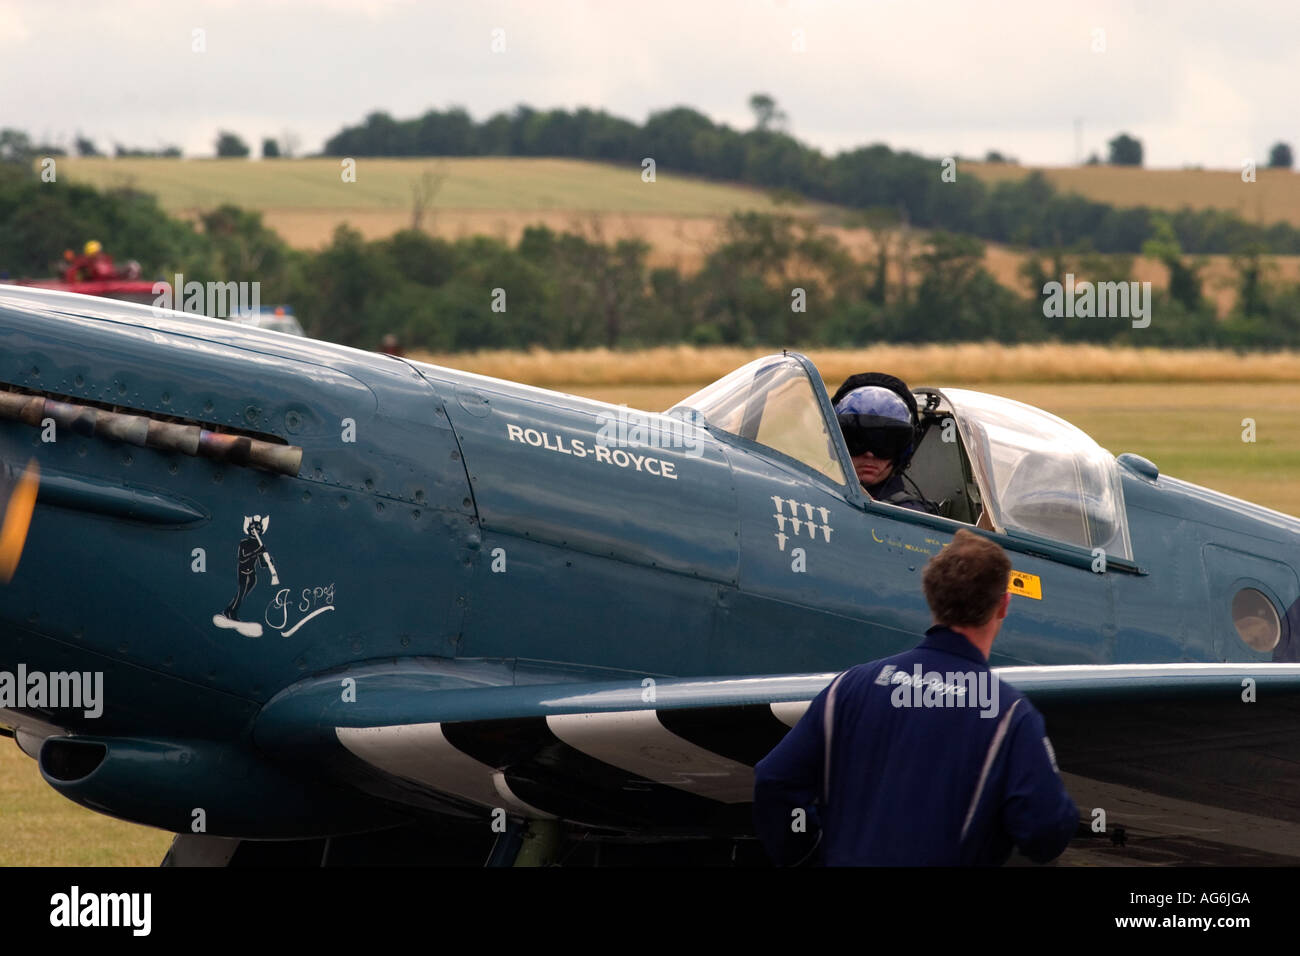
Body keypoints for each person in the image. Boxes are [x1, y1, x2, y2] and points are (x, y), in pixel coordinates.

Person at [753, 529, 1079, 866]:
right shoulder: (1007, 713)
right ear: (1004, 604)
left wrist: (804, 854)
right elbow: (1046, 830)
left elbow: (775, 778)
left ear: (931, 596)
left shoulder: (850, 687)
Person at [831, 372, 935, 513]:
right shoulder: (814, 501)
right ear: (835, 443)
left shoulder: (911, 517)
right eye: (856, 440)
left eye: (884, 443)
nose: (869, 454)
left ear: (902, 452)